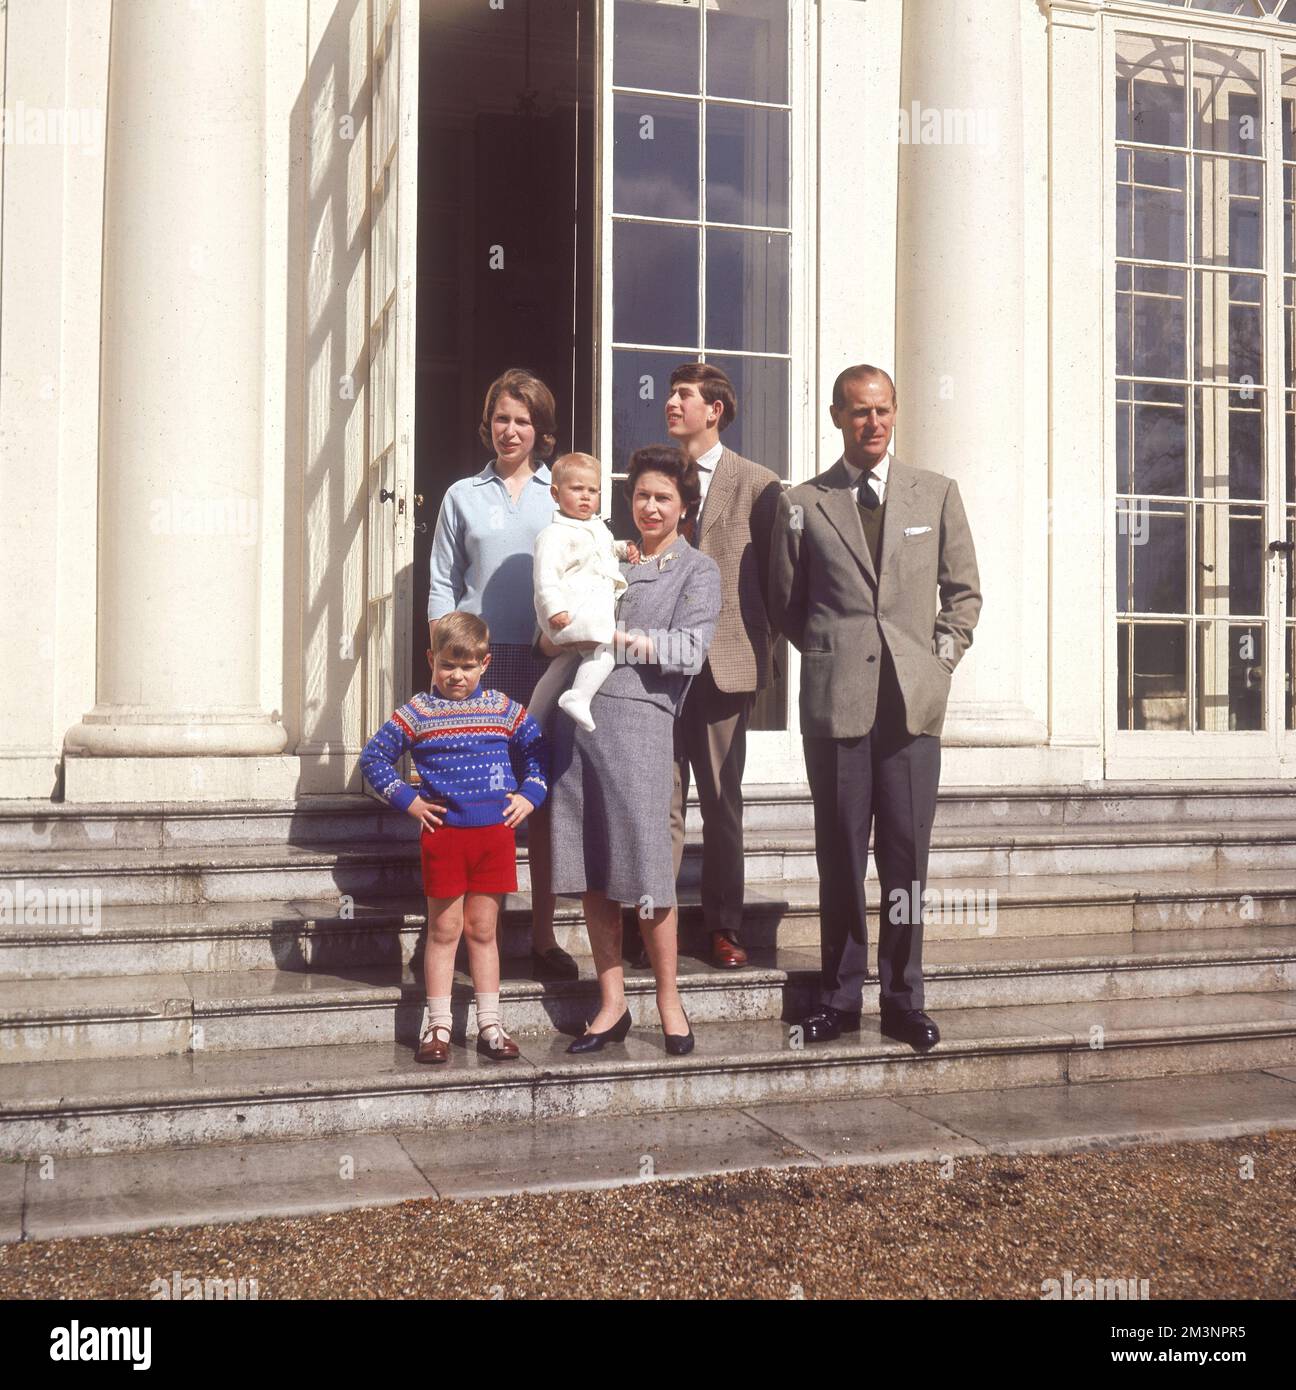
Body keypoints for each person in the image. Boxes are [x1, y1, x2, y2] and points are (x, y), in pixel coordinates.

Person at [768, 364, 981, 1050]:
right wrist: (833, 656)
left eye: (883, 409)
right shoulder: (803, 502)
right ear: (837, 416)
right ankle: (838, 998)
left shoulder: (936, 493)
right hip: (838, 707)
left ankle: (902, 999)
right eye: (860, 411)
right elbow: (786, 602)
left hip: (911, 711)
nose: (874, 422)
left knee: (905, 860)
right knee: (839, 855)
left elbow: (963, 595)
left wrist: (937, 664)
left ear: (896, 411)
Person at [543, 445, 721, 1056]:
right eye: (642, 495)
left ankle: (669, 1000)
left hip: (644, 727)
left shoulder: (696, 570)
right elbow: (558, 624)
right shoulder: (604, 553)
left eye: (663, 497)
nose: (650, 507)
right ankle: (611, 1002)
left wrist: (618, 639)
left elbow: (689, 650)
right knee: (594, 866)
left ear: (685, 506)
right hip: (580, 724)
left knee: (648, 870)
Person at [426, 368, 576, 981]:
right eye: (501, 419)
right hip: (478, 668)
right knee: (472, 797)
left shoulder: (560, 493)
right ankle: (458, 934)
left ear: (541, 431)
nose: (510, 430)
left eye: (522, 421)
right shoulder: (462, 495)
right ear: (487, 424)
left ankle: (542, 936)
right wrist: (445, 656)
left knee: (536, 798)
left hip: (543, 663)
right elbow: (442, 582)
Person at [359, 612, 549, 1064]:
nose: (457, 676)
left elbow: (538, 751)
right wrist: (410, 801)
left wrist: (530, 795)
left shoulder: (503, 708)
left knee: (483, 930)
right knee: (444, 931)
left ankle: (490, 1024)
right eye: (447, 665)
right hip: (443, 837)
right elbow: (373, 758)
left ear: (485, 663)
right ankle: (439, 1025)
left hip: (494, 837)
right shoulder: (418, 712)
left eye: (467, 666)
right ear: (431, 660)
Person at [664, 363, 782, 970]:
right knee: (660, 803)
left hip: (724, 665)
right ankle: (653, 923)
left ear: (715, 410)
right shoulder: (658, 475)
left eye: (683, 395)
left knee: (720, 802)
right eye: (669, 393)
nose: (670, 402)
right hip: (657, 666)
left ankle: (724, 927)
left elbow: (778, 580)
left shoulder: (757, 483)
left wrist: (758, 650)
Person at [528, 452, 635, 733]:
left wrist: (623, 549)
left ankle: (533, 718)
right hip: (573, 611)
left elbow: (603, 549)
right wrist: (554, 609)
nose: (586, 496)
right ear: (555, 493)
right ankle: (579, 696)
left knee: (562, 665)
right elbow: (545, 577)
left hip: (585, 610)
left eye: (593, 490)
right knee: (605, 651)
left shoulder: (595, 526)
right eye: (577, 489)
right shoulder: (553, 535)